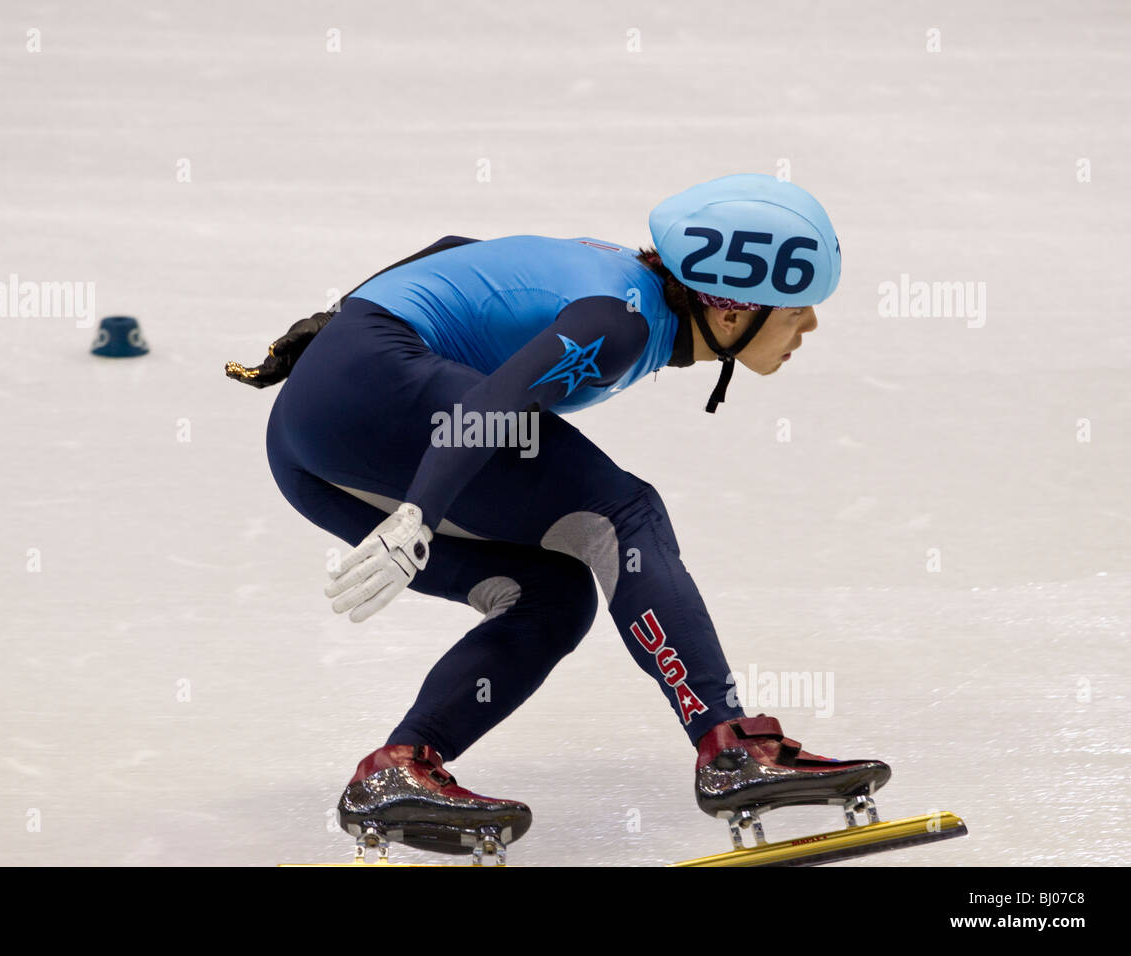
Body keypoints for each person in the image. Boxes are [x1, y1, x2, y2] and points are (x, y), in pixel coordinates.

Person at [228, 173, 889, 858]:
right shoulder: (621, 324)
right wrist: (419, 516)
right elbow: (491, 407)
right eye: (795, 310)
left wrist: (326, 325)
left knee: (550, 596)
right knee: (625, 516)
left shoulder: (620, 279)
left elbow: (451, 248)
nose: (809, 327)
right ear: (730, 312)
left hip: (305, 447)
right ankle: (731, 747)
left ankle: (398, 769)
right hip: (373, 397)